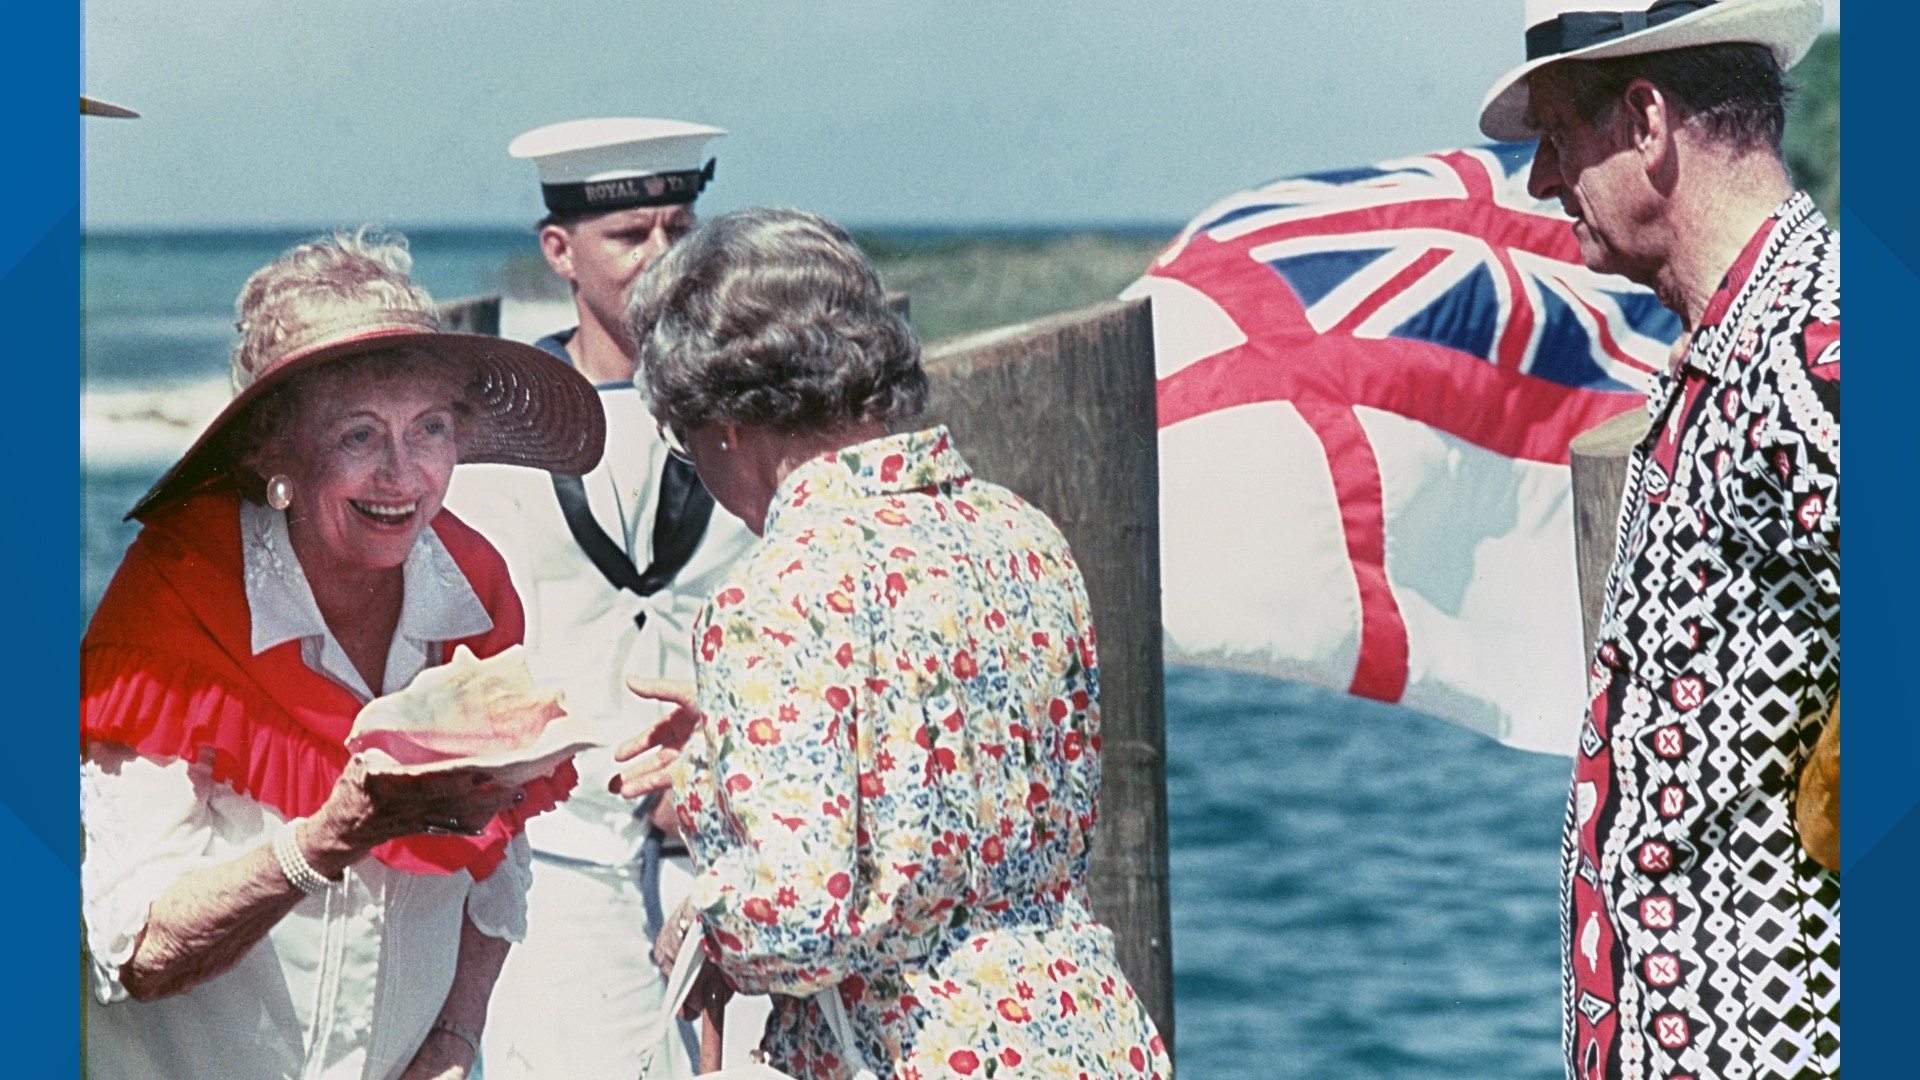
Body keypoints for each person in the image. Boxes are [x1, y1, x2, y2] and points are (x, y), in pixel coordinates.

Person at [612, 208, 1172, 1079]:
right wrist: (731, 765)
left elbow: (799, 920)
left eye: (682, 441)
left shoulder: (780, 591)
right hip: (1089, 1033)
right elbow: (956, 798)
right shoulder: (1022, 535)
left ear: (723, 421)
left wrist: (706, 919)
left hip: (914, 1051)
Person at [81, 226, 606, 1079]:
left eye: (430, 428)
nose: (403, 475)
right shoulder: (175, 603)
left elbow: (499, 857)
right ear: (270, 449)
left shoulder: (473, 592)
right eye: (359, 435)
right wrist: (324, 842)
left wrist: (456, 1038)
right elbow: (137, 952)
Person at [1478, 2, 1837, 1077]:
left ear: (1645, 121)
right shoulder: (1745, 348)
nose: (1543, 181)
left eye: (1556, 138)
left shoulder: (1811, 352)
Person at [442, 118, 761, 1079]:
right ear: (560, 251)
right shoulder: (481, 439)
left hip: (733, 846)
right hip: (563, 865)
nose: (664, 258)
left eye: (681, 227)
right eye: (631, 236)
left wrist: (720, 769)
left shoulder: (759, 416)